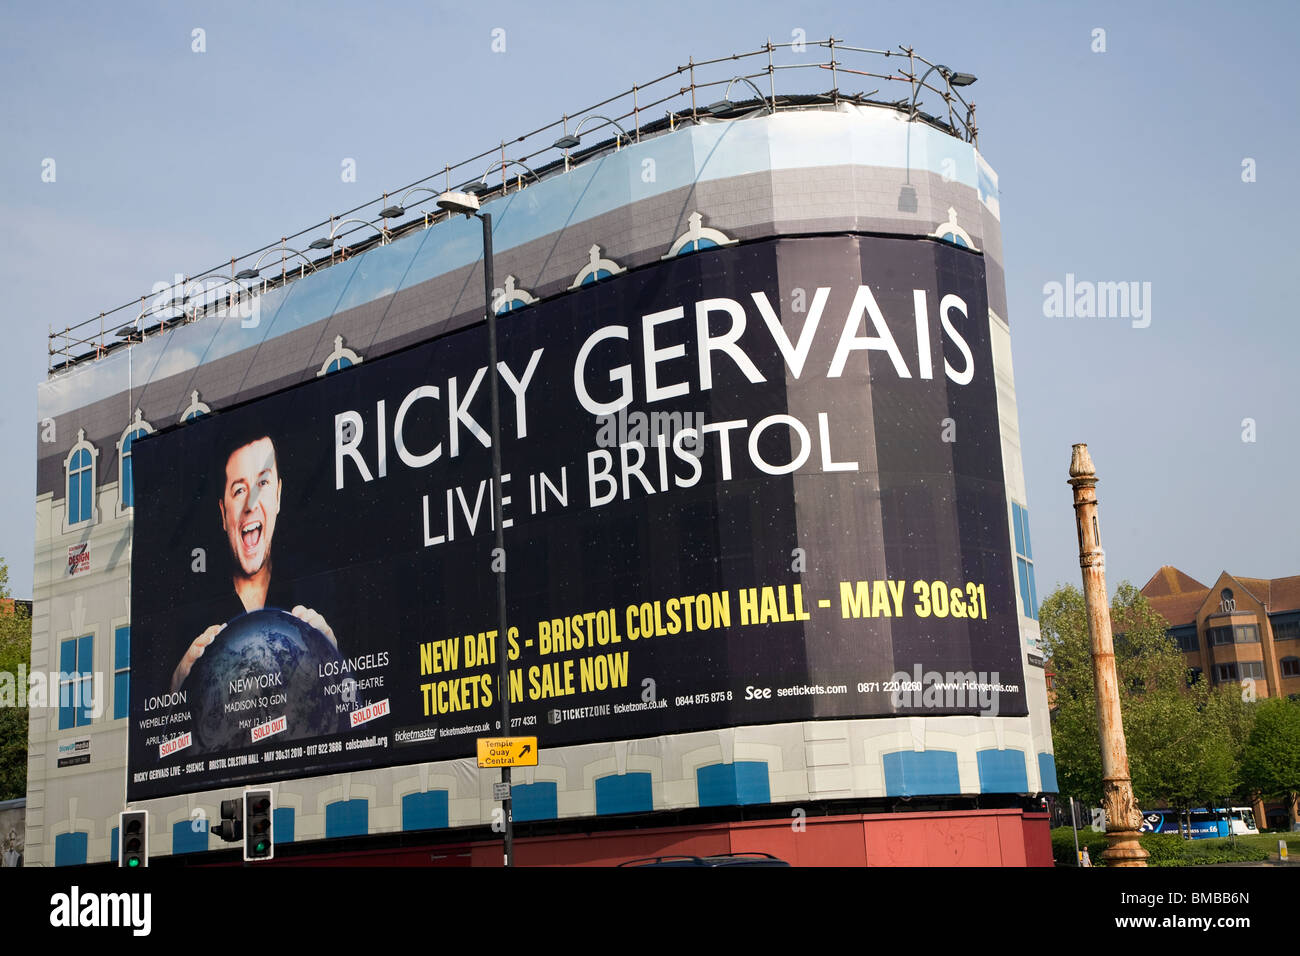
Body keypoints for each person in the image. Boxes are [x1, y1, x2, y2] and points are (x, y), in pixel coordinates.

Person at [170, 431, 336, 693]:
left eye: (263, 484)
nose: (251, 503)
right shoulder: (190, 613)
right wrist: (177, 687)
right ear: (223, 514)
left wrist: (336, 665)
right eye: (239, 490)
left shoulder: (318, 590)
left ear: (279, 496)